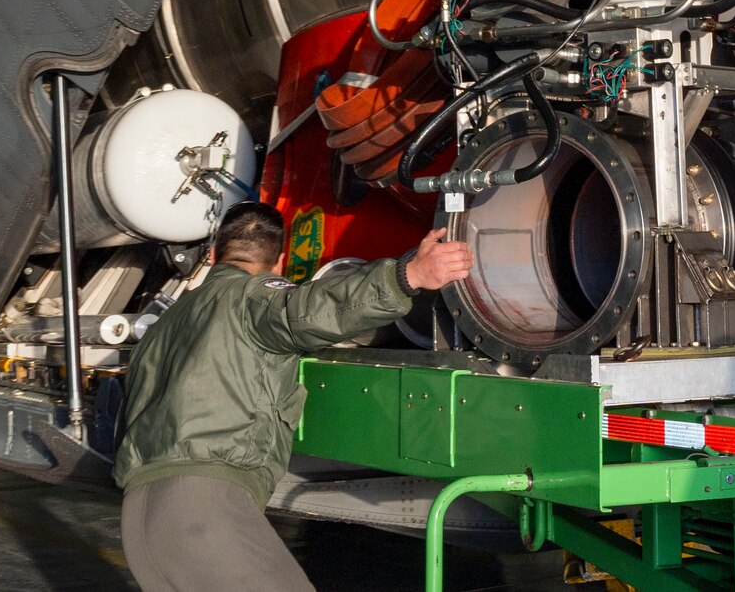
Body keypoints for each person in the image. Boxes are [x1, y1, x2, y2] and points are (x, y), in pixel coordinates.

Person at [114, 203, 473, 591]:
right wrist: (408, 276)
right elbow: (307, 310)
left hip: (140, 516)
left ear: (214, 255)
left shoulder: (166, 321)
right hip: (203, 504)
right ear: (280, 262)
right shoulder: (253, 295)